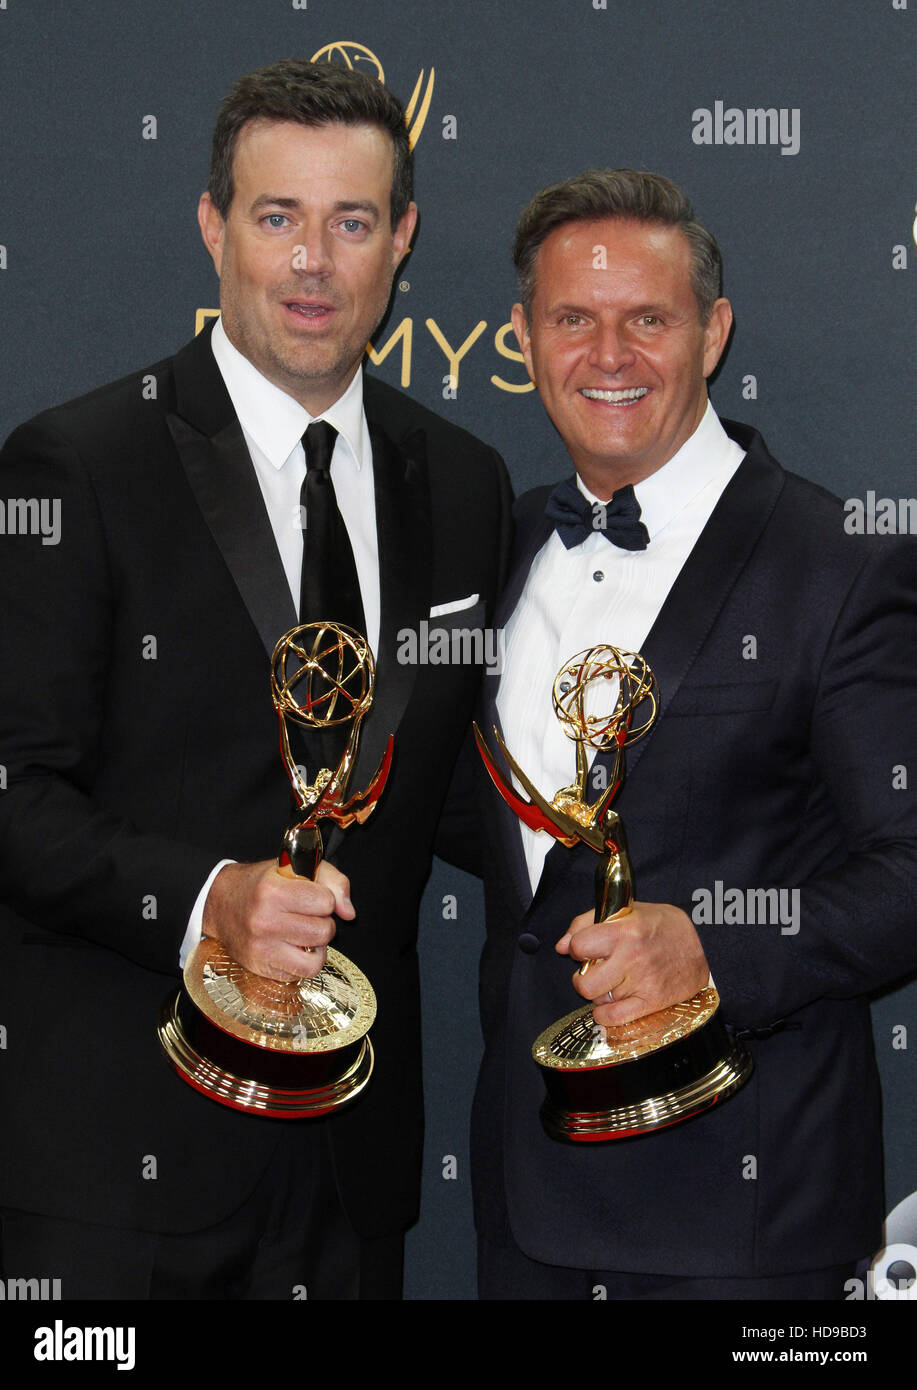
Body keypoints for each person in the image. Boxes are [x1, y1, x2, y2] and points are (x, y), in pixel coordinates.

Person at [0, 57, 510, 1300]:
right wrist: (211, 895)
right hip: (113, 1170)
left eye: (352, 221)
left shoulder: (464, 481)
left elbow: (438, 787)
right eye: (278, 218)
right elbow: (7, 792)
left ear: (404, 240)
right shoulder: (76, 464)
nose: (313, 262)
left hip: (346, 1160)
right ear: (214, 226)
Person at [470, 169, 917, 1299]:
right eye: (573, 318)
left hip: (746, 1227)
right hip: (526, 1214)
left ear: (714, 332)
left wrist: (716, 951)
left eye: (648, 319)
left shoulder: (842, 566)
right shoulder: (499, 546)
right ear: (523, 337)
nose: (607, 355)